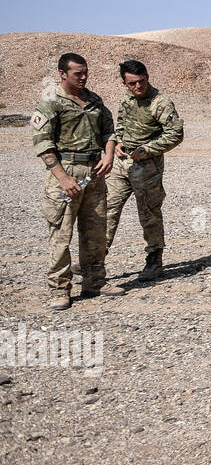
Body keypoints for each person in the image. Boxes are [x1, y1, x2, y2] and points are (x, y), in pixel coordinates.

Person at [31, 53, 116, 310]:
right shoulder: (51, 102)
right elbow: (43, 144)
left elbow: (109, 130)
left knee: (95, 231)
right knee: (61, 233)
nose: (83, 77)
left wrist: (109, 154)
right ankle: (60, 288)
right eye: (78, 73)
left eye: (85, 72)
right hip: (65, 170)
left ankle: (94, 282)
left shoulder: (94, 100)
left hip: (94, 170)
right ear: (62, 73)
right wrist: (62, 177)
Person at [105, 60, 185, 280]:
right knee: (107, 210)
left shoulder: (161, 102)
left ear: (147, 77)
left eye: (141, 81)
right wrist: (119, 142)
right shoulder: (127, 99)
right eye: (132, 83)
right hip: (122, 164)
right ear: (124, 83)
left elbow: (175, 134)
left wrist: (147, 150)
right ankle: (95, 262)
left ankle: (154, 260)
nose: (138, 87)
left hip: (146, 166)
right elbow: (121, 123)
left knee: (149, 214)